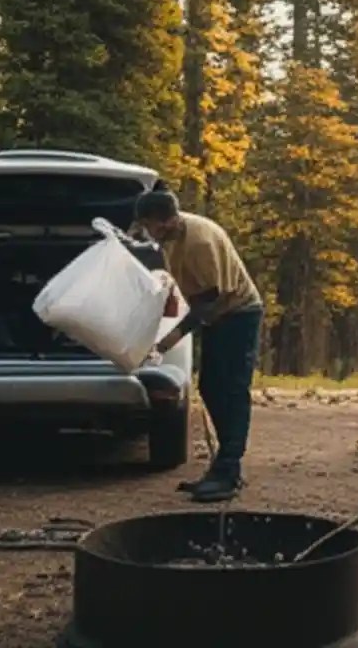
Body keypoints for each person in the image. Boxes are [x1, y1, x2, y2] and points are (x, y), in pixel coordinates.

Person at [134, 189, 263, 502]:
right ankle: (224, 466)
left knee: (231, 390)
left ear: (163, 222)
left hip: (237, 314)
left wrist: (168, 341)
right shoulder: (172, 236)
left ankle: (228, 470)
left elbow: (206, 304)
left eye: (148, 226)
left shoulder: (199, 242)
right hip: (218, 313)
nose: (147, 232)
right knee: (209, 387)